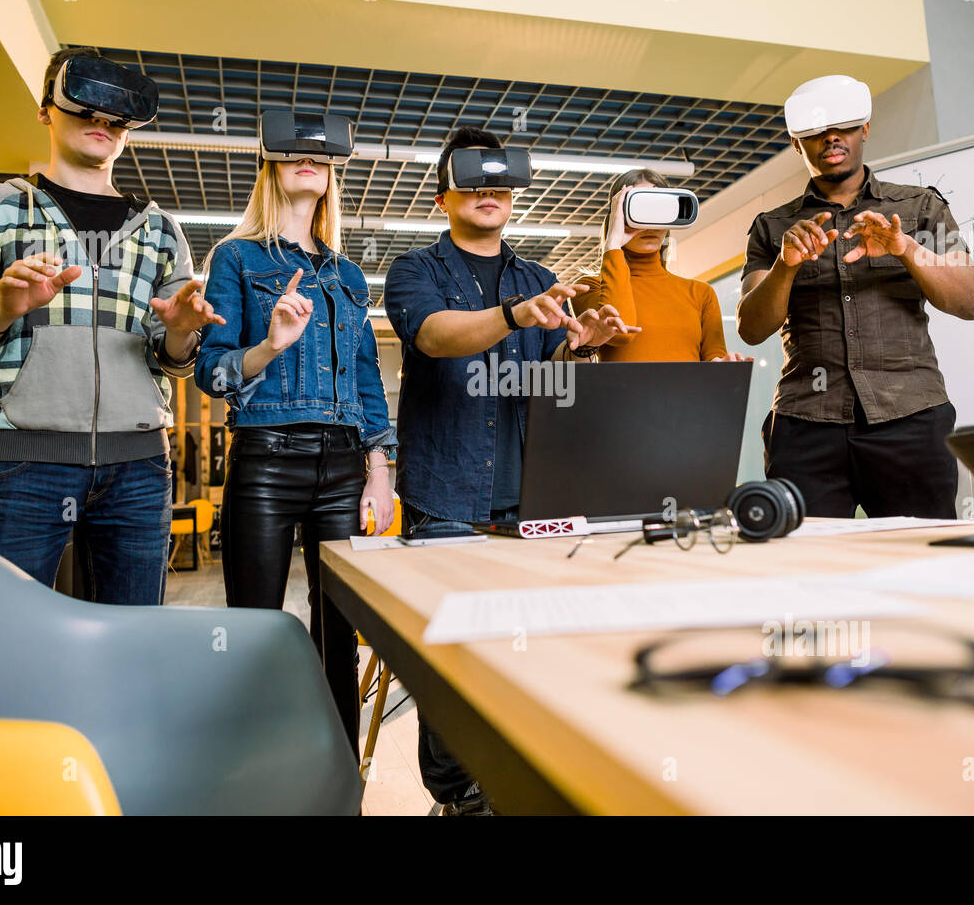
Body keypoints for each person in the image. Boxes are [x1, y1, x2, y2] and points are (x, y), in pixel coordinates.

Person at [384, 126, 636, 814]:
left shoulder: (539, 282)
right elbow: (436, 338)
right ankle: (459, 797)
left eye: (502, 182)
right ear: (444, 197)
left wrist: (580, 350)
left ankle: (515, 783)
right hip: (445, 490)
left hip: (529, 496)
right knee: (452, 657)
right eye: (475, 180)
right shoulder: (415, 272)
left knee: (525, 650)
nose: (491, 191)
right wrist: (512, 315)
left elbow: (549, 388)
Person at [0, 46, 220, 603]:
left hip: (139, 469)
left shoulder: (160, 231)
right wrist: (1, 310)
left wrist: (179, 334)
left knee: (131, 642)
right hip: (22, 467)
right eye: (84, 107)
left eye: (115, 115)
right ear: (45, 109)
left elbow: (176, 360)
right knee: (4, 638)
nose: (101, 123)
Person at [194, 110, 396, 752]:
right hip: (266, 459)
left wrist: (379, 468)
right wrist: (270, 346)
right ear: (271, 165)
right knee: (255, 627)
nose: (307, 159)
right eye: (292, 152)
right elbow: (212, 372)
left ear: (332, 171)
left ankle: (333, 771)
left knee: (339, 628)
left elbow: (366, 376)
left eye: (319, 154)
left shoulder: (348, 272)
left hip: (342, 464)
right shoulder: (234, 257)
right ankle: (256, 768)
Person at [737, 74, 974, 519]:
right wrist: (785, 265)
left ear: (864, 130)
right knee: (806, 564)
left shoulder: (920, 208)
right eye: (815, 131)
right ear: (797, 144)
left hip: (910, 417)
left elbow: (971, 302)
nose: (831, 137)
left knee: (920, 561)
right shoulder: (771, 228)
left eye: (844, 126)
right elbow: (752, 328)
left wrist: (906, 249)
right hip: (805, 423)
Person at [573, 168, 746, 362]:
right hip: (624, 393)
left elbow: (714, 359)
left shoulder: (701, 294)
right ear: (617, 217)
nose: (651, 224)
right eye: (641, 210)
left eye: (660, 210)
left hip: (686, 393)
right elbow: (621, 331)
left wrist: (722, 366)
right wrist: (612, 245)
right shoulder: (589, 287)